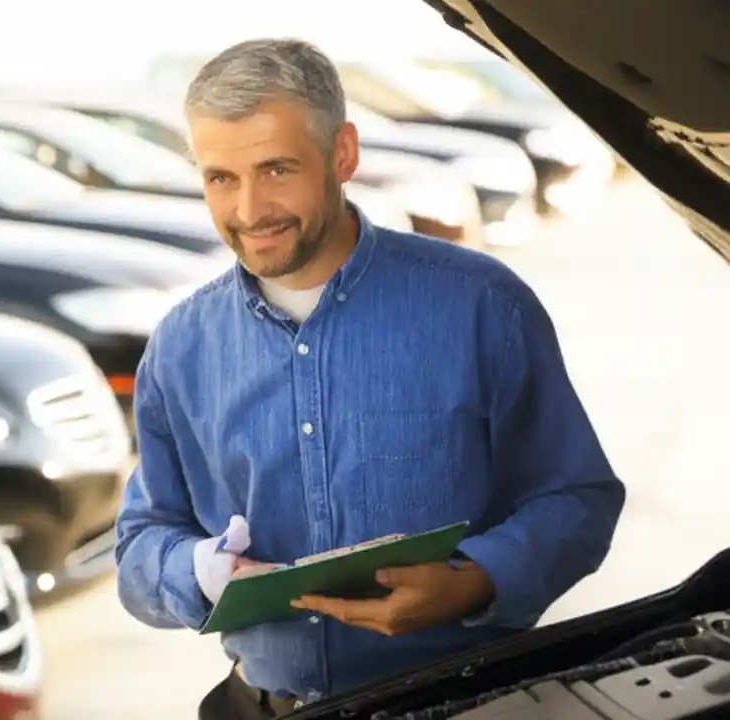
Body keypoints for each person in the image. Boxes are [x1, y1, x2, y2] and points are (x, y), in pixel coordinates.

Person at [113, 38, 626, 719]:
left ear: (343, 154)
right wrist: (204, 573)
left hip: (465, 701)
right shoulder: (180, 346)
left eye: (276, 169)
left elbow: (577, 498)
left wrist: (473, 582)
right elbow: (142, 543)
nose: (249, 209)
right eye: (221, 179)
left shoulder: (481, 305)